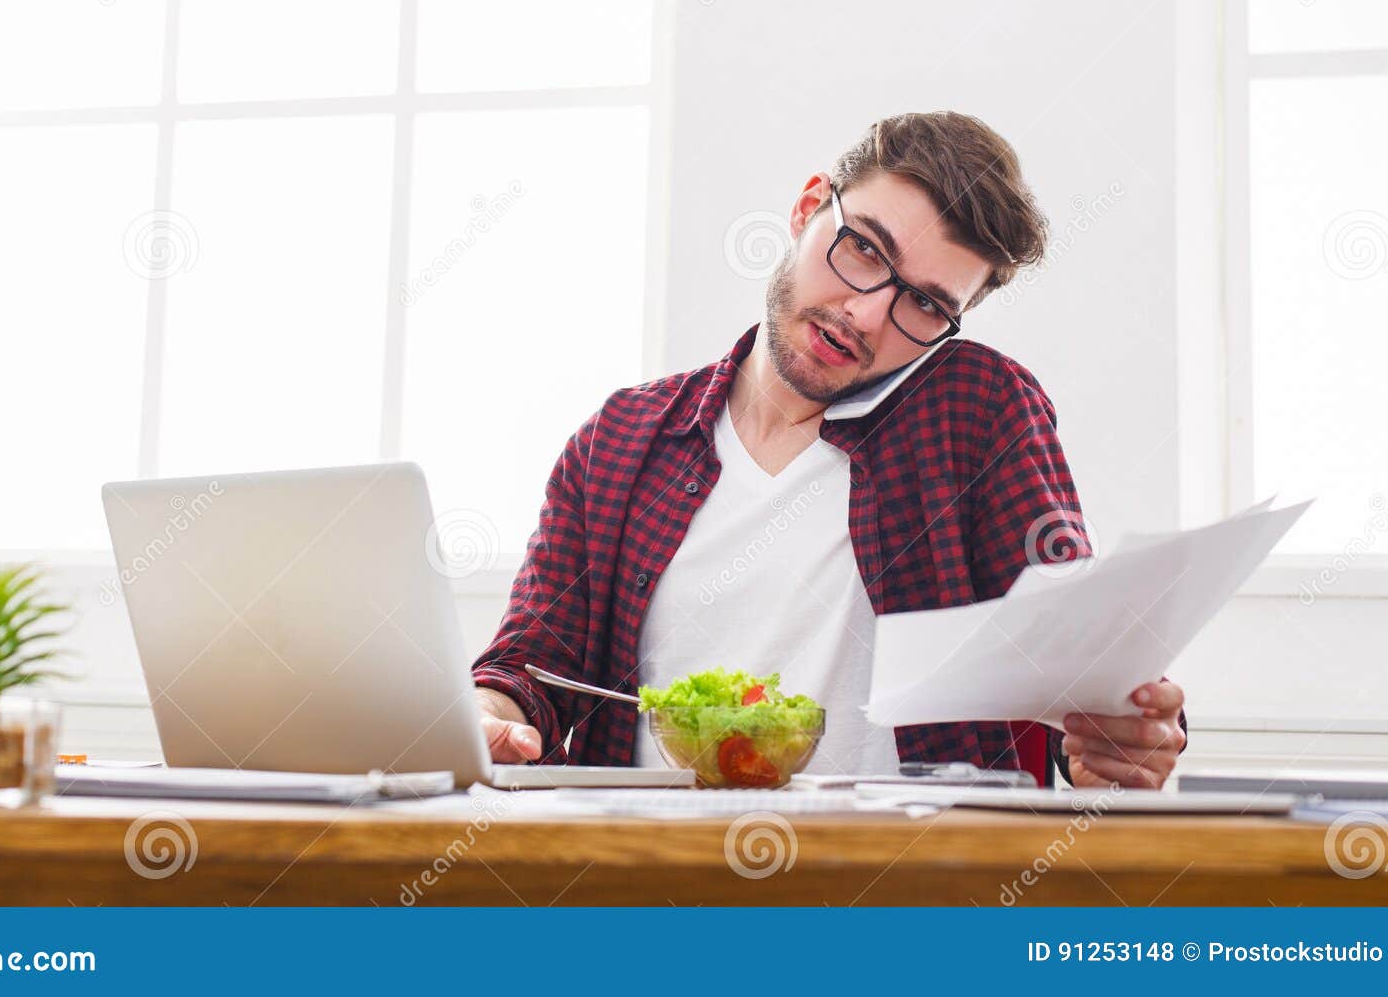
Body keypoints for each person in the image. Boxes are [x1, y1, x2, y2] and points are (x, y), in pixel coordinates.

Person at [470, 112, 1187, 789]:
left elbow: (1080, 646)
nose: (868, 313)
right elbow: (529, 669)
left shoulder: (977, 409)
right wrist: (489, 719)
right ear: (809, 206)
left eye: (926, 305)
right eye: (865, 249)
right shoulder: (622, 438)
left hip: (908, 895)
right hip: (653, 885)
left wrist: (1127, 737)